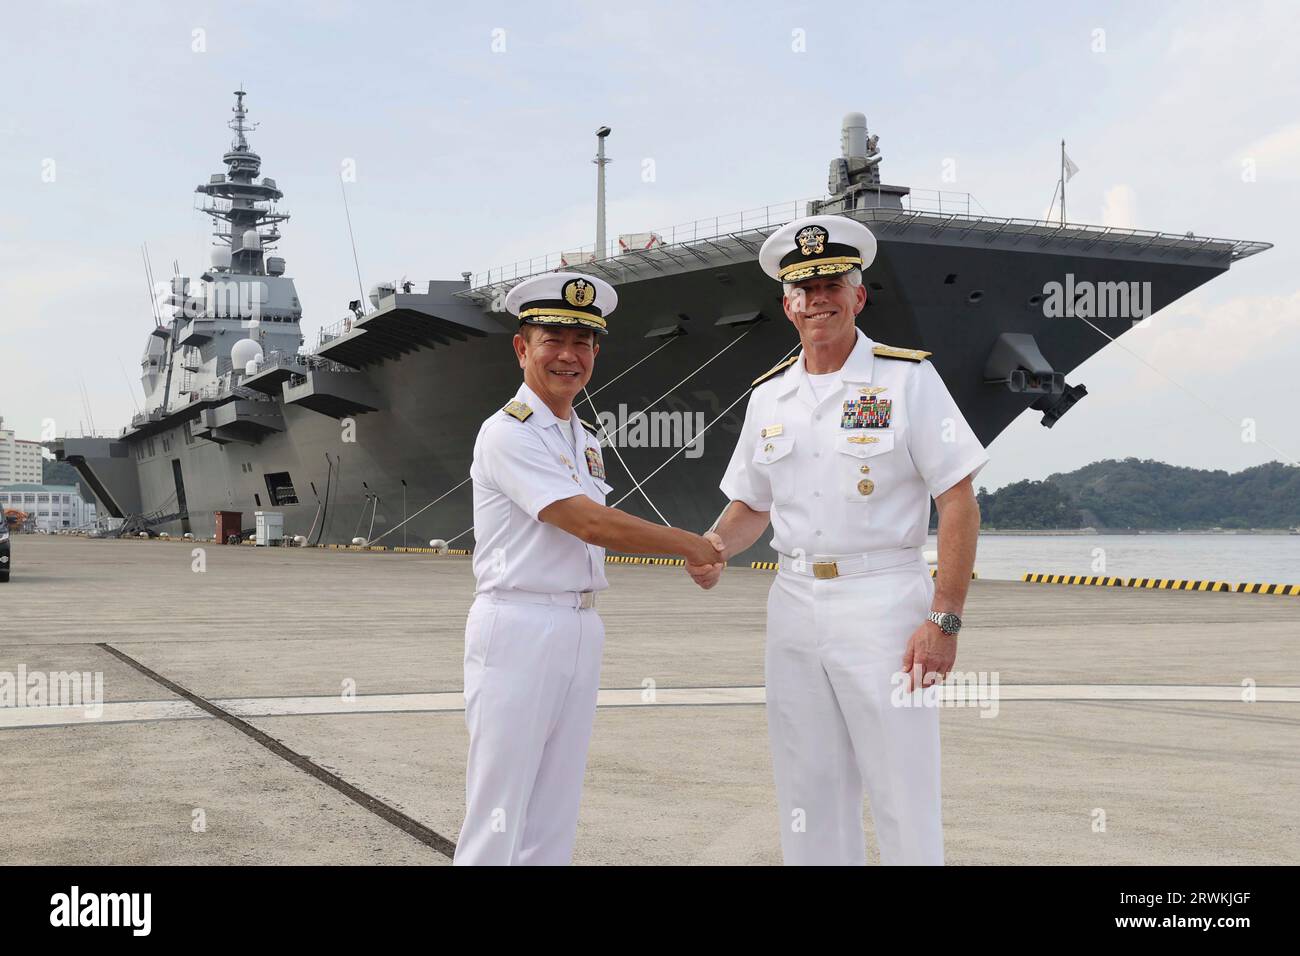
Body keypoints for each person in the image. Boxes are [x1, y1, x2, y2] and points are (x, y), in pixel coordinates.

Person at [686, 215, 987, 865]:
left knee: (902, 786)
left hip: (884, 599)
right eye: (804, 287)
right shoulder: (771, 397)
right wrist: (714, 546)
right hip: (792, 602)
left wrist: (945, 616)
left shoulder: (906, 380)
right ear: (786, 304)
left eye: (832, 283)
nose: (818, 297)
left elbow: (957, 499)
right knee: (807, 786)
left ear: (858, 295)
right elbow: (750, 504)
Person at [455, 271, 723, 866]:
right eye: (553, 339)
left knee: (554, 807)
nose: (569, 356)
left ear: (596, 354)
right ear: (522, 347)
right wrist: (690, 545)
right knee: (499, 806)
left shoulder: (581, 437)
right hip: (518, 623)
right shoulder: (507, 433)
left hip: (579, 623)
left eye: (583, 344)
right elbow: (589, 523)